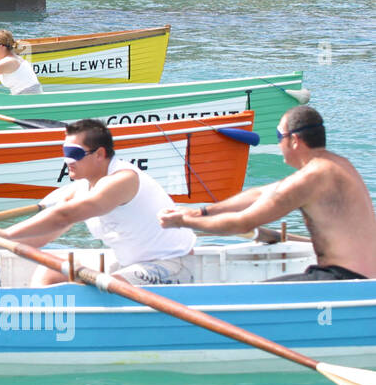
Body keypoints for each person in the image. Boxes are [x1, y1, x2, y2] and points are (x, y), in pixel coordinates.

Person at [159, 105, 376, 281]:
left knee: (248, 297)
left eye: (278, 135)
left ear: (294, 140)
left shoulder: (311, 178)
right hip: (359, 277)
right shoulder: (337, 164)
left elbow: (242, 223)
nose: (278, 143)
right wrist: (202, 212)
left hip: (343, 280)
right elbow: (261, 193)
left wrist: (183, 222)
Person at [0, 119, 197, 286]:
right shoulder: (82, 187)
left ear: (99, 154)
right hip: (129, 264)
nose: (67, 161)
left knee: (108, 287)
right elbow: (41, 238)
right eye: (65, 153)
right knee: (51, 272)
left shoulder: (122, 180)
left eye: (74, 154)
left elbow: (65, 215)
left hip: (172, 264)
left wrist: (6, 233)